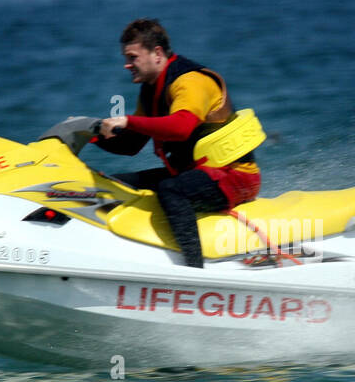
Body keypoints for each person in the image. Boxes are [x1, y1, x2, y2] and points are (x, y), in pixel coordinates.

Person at [92, 18, 261, 268]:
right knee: (115, 184)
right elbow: (132, 145)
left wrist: (128, 120)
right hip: (197, 174)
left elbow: (181, 128)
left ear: (157, 53)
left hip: (235, 177)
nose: (127, 65)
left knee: (172, 189)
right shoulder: (150, 90)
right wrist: (91, 135)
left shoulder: (189, 80)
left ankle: (194, 269)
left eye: (132, 57)